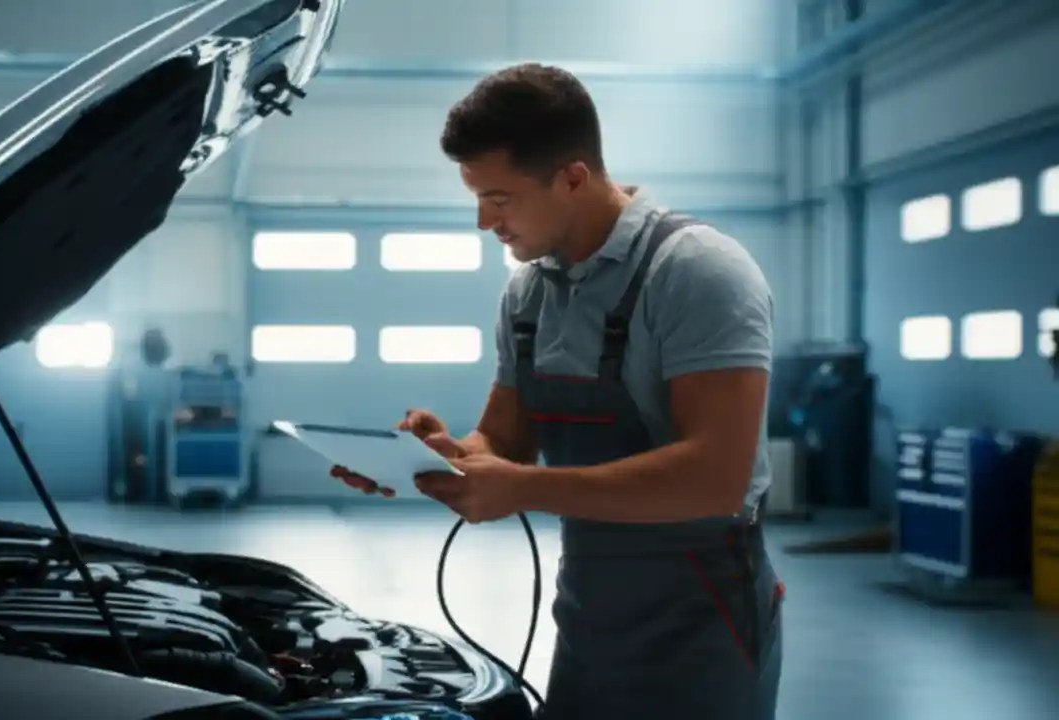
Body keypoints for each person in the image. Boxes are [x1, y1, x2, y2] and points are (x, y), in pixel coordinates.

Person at [331, 63, 783, 718]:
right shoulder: (528, 292)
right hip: (589, 620)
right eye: (476, 197)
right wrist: (441, 458)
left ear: (572, 177)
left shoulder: (697, 272)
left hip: (704, 625)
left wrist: (524, 488)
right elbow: (506, 442)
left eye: (500, 198)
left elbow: (716, 477)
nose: (484, 221)